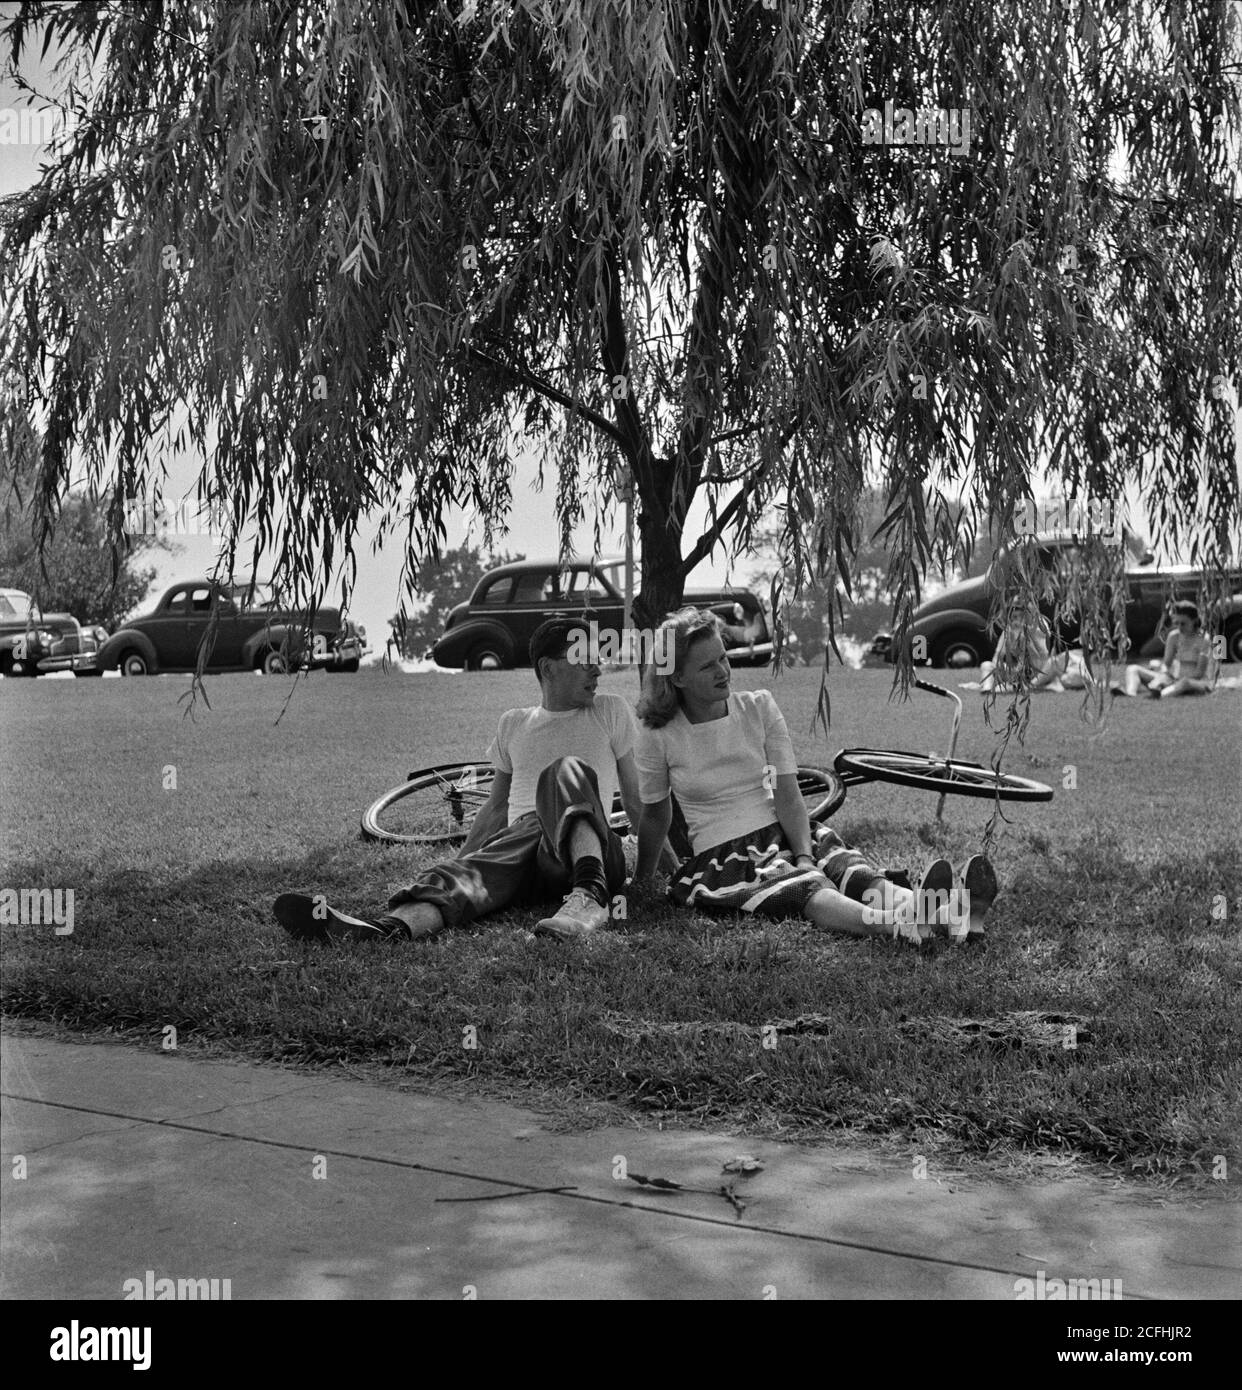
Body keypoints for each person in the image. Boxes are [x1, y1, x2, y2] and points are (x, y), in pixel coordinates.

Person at [632, 609, 998, 944]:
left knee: (849, 871)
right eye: (707, 666)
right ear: (677, 676)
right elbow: (655, 814)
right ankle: (899, 924)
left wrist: (804, 852)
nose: (722, 671)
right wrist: (641, 882)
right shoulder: (659, 734)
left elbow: (786, 793)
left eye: (723, 658)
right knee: (803, 886)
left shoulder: (758, 707)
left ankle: (948, 913)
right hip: (724, 855)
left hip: (783, 828)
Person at [274, 618, 648, 944]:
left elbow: (634, 799)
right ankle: (387, 930)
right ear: (548, 668)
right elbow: (496, 807)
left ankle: (589, 896)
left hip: (591, 850)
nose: (597, 670)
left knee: (564, 770)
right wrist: (463, 864)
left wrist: (651, 872)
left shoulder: (609, 710)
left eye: (597, 660)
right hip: (527, 854)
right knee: (466, 870)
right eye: (584, 661)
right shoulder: (514, 722)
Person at [1115, 601, 1214, 698]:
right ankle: (1130, 693)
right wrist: (1164, 674)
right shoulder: (1174, 636)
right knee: (1133, 669)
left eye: (1183, 624)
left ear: (1195, 621)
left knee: (1185, 682)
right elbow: (1166, 663)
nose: (1179, 627)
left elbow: (1199, 673)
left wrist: (1176, 680)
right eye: (1176, 623)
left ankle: (1159, 695)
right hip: (1173, 679)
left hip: (1196, 682)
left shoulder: (1204, 640)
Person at [978, 603, 1068, 692]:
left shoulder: (1038, 626)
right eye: (1014, 617)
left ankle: (1031, 686)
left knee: (1052, 663)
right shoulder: (1008, 631)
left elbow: (1042, 653)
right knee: (986, 665)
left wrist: (1025, 636)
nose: (1016, 620)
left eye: (1019, 616)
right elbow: (998, 655)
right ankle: (987, 688)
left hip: (1038, 671)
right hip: (1017, 672)